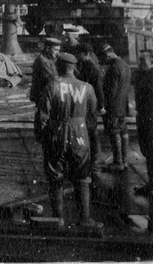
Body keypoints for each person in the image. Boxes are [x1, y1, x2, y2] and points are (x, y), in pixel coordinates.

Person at [35, 52, 101, 227]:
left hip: (57, 133)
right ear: (74, 68)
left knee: (55, 175)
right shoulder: (87, 88)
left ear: (58, 66)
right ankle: (85, 219)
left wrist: (42, 137)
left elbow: (42, 116)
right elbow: (93, 117)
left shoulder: (51, 86)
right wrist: (89, 137)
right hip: (80, 134)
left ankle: (58, 218)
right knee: (82, 176)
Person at [73, 43, 106, 184]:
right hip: (86, 106)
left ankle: (94, 168)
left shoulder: (90, 68)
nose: (76, 56)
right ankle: (92, 167)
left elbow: (98, 89)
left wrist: (101, 106)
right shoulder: (87, 66)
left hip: (88, 107)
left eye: (78, 53)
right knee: (89, 135)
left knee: (91, 135)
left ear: (85, 53)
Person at [99, 44, 131, 172]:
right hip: (123, 106)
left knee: (114, 133)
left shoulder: (113, 68)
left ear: (107, 55)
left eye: (104, 58)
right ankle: (125, 160)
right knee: (124, 132)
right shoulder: (126, 65)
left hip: (113, 107)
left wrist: (103, 105)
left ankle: (118, 162)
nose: (104, 61)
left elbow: (110, 91)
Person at [134, 51, 153, 203]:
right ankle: (150, 183)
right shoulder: (140, 74)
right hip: (143, 117)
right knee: (146, 151)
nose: (139, 62)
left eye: (143, 60)